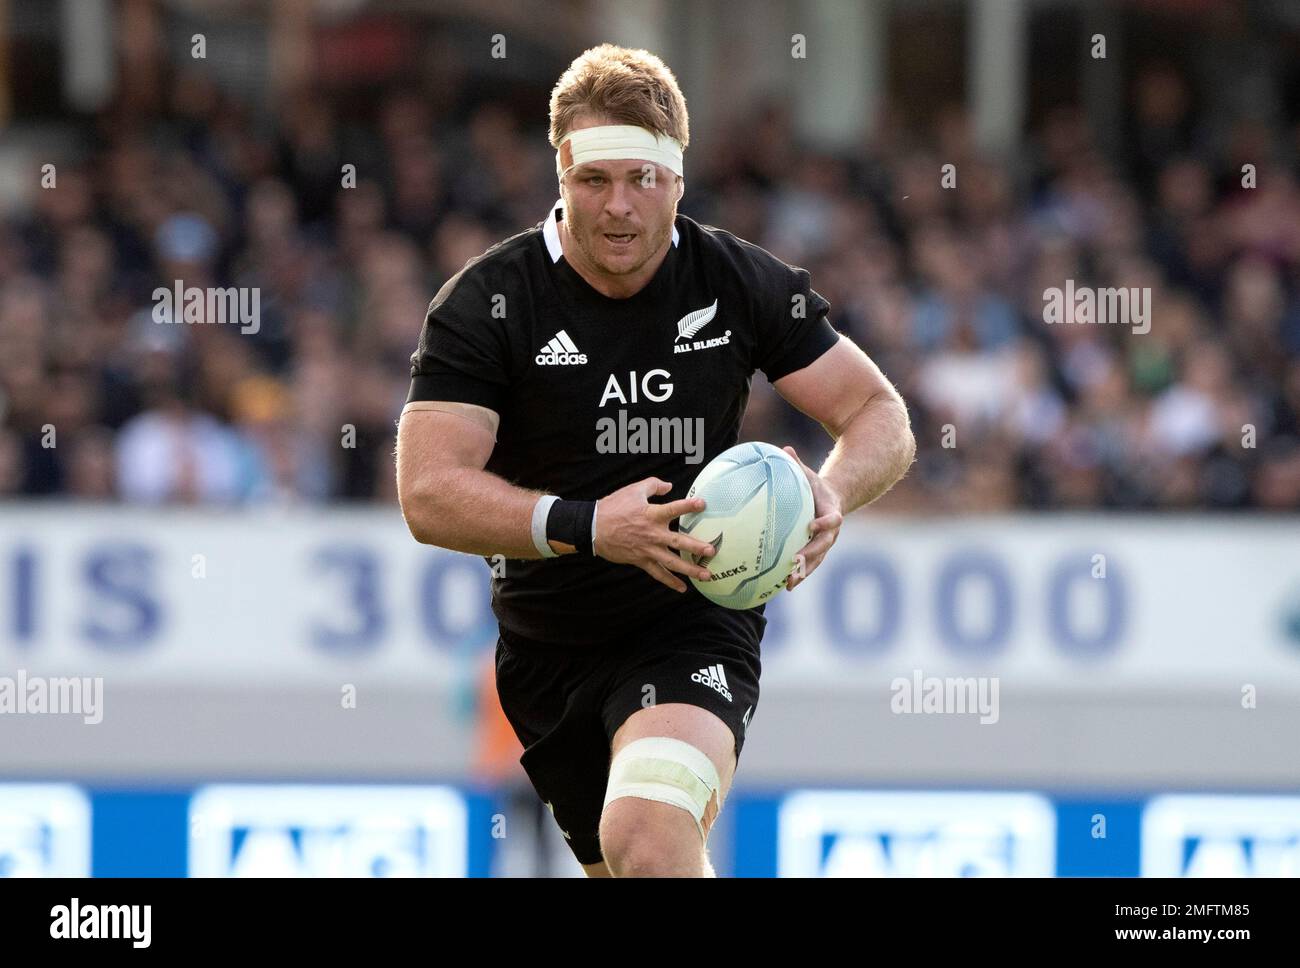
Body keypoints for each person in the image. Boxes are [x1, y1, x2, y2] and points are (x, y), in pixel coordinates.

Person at [396, 44, 915, 877]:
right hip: (547, 651)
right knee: (636, 863)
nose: (620, 207)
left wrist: (832, 489)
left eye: (644, 178)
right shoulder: (488, 302)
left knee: (648, 836)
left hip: (694, 618)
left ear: (680, 177)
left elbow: (877, 412)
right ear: (560, 174)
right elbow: (426, 493)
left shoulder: (739, 281)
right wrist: (593, 527)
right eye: (595, 180)